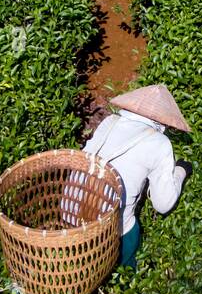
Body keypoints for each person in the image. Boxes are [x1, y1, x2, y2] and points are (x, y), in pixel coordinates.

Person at [79, 85, 191, 270]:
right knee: (129, 231)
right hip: (109, 228)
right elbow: (163, 204)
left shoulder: (109, 122)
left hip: (73, 211)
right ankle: (126, 277)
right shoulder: (160, 143)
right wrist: (181, 171)